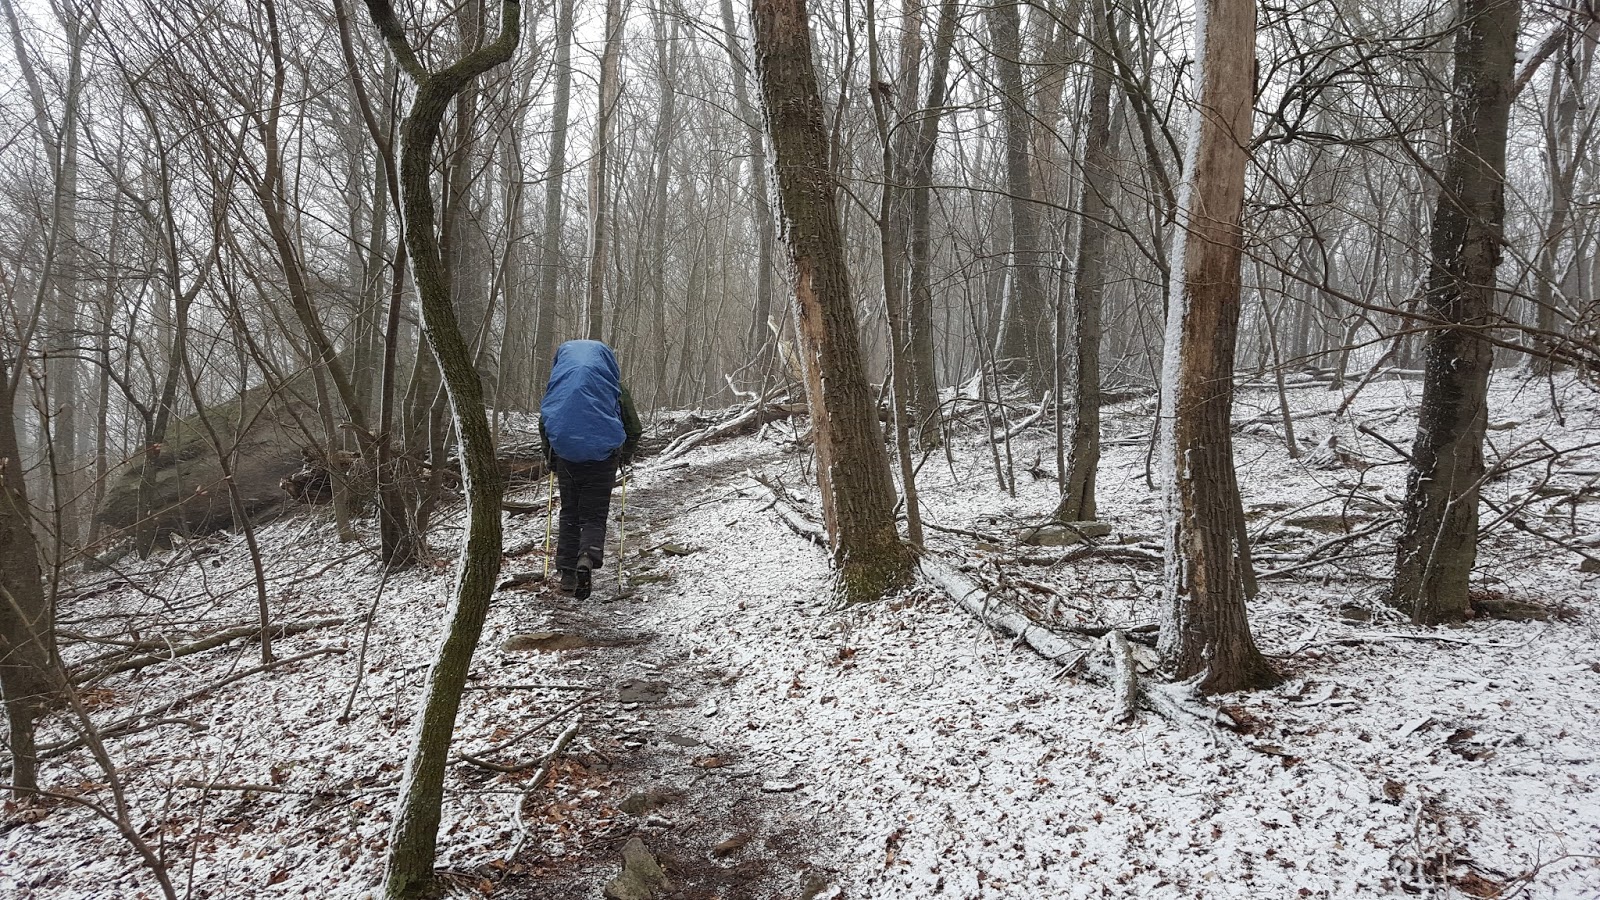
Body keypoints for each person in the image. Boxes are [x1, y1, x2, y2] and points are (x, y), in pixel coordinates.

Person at [539, 340, 642, 600]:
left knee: (570, 512)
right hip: (603, 457)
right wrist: (625, 455)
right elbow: (634, 428)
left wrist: (551, 458)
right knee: (594, 515)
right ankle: (587, 556)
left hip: (566, 457)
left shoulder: (560, 386)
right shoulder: (613, 387)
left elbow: (546, 422)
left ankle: (567, 574)